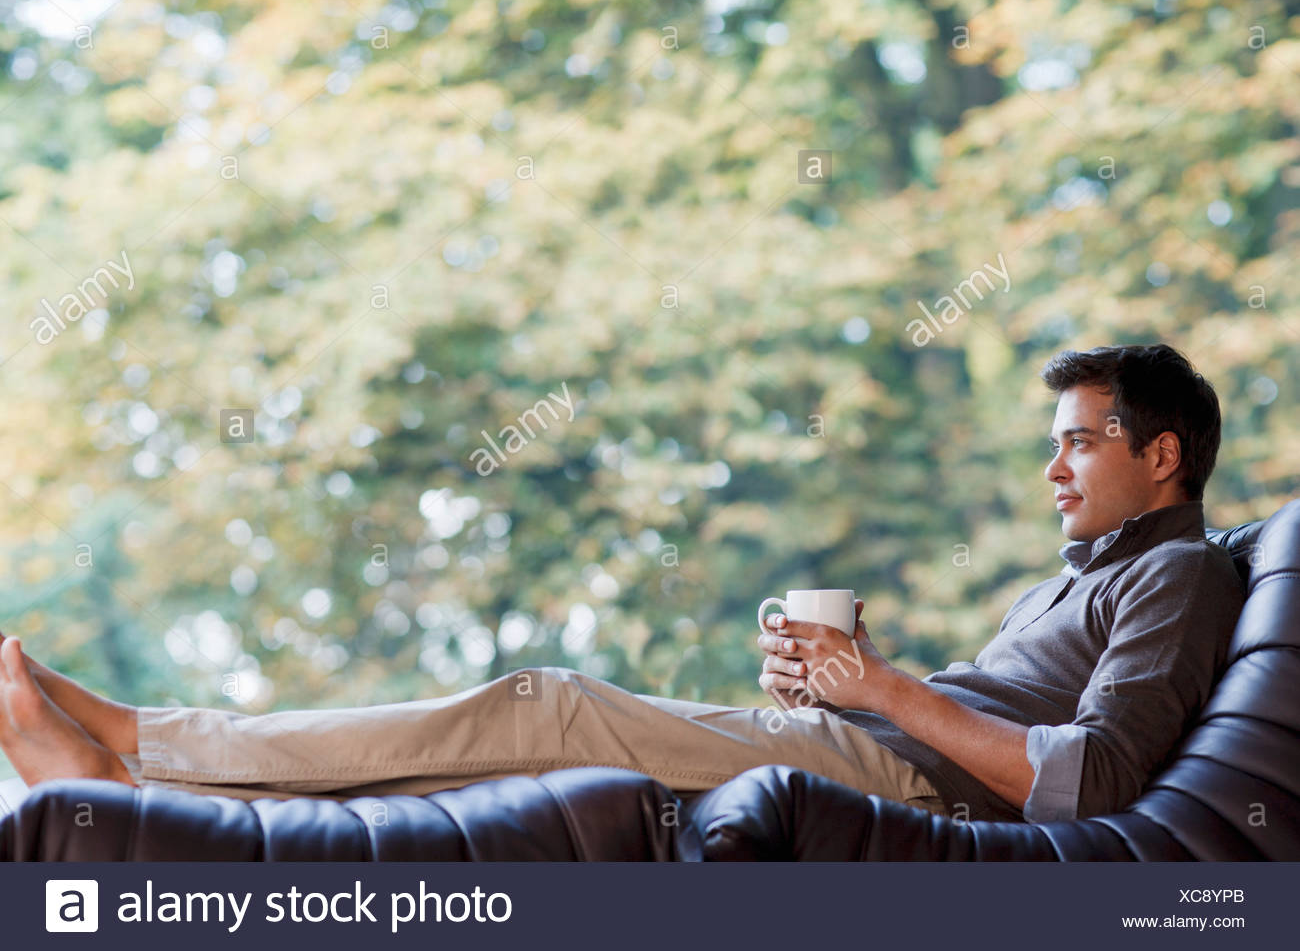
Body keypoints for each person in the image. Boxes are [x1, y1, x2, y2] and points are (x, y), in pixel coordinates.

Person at [0, 343, 1245, 823]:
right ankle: (141, 782)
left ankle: (142, 744)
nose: (1052, 466)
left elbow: (1093, 780)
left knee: (545, 705)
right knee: (520, 755)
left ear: (1163, 453)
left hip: (917, 791)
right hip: (870, 745)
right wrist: (834, 690)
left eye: (1081, 438)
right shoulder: (1075, 581)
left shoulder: (1178, 577)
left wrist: (885, 688)